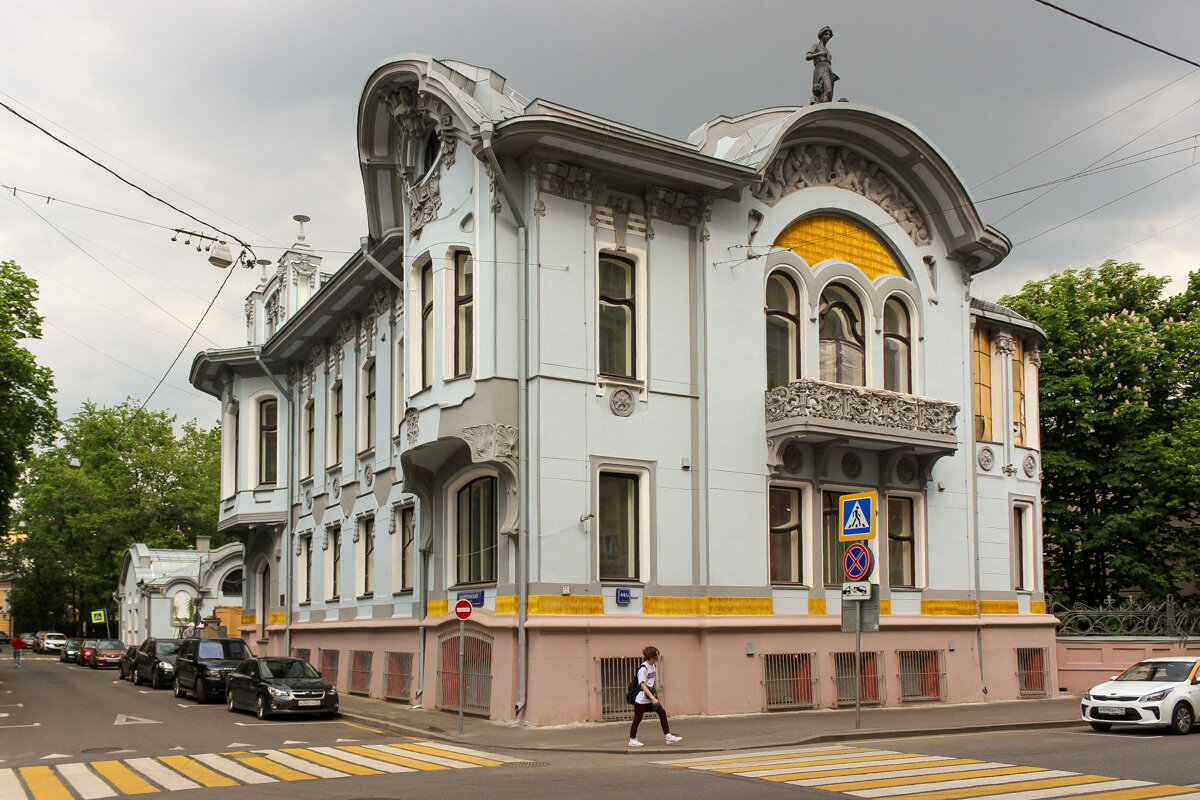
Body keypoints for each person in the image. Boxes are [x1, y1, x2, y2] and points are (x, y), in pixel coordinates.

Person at [628, 645, 682, 747]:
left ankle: (668, 736)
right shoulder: (643, 669)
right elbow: (642, 685)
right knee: (638, 718)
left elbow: (654, 683)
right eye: (656, 655)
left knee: (662, 713)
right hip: (643, 697)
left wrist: (656, 696)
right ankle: (632, 739)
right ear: (651, 656)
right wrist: (652, 697)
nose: (658, 657)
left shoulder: (654, 667)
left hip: (651, 696)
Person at [806, 26, 839, 104]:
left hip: (828, 69)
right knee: (826, 90)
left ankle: (825, 106)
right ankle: (821, 106)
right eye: (826, 34)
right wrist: (819, 54)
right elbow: (807, 57)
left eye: (829, 35)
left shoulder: (828, 51)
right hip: (820, 68)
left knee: (829, 92)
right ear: (821, 35)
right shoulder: (816, 46)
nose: (827, 37)